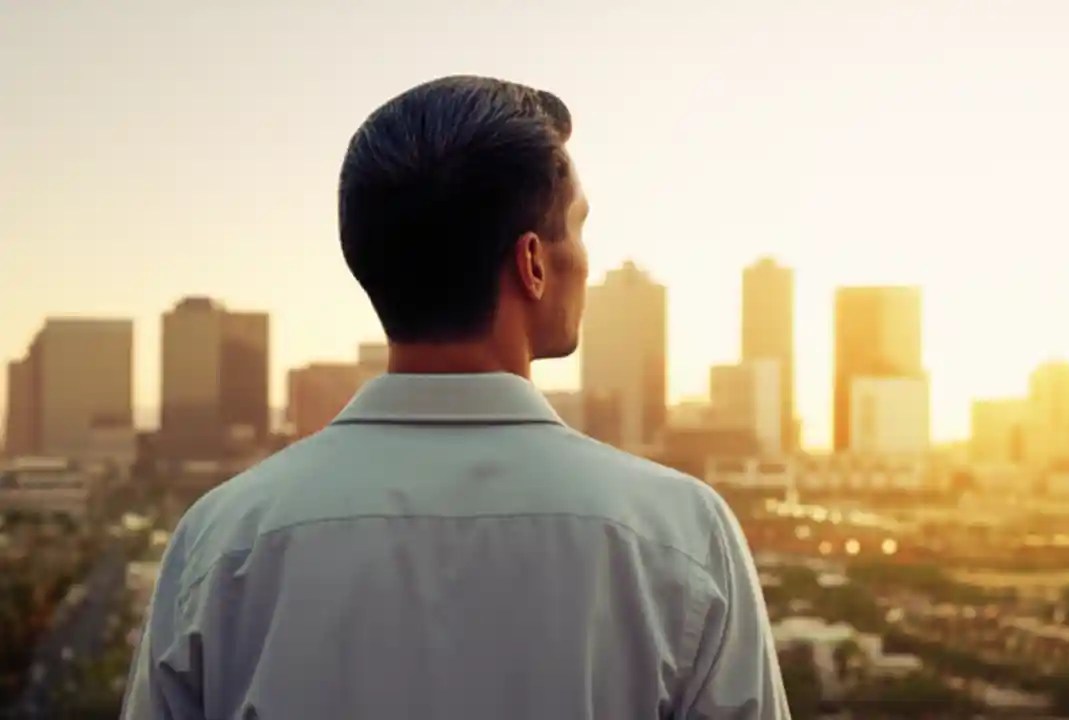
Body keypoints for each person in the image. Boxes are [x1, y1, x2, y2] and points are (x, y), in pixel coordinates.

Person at [122, 75, 789, 719]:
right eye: (579, 228)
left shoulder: (222, 544)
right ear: (531, 263)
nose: (584, 259)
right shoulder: (679, 538)